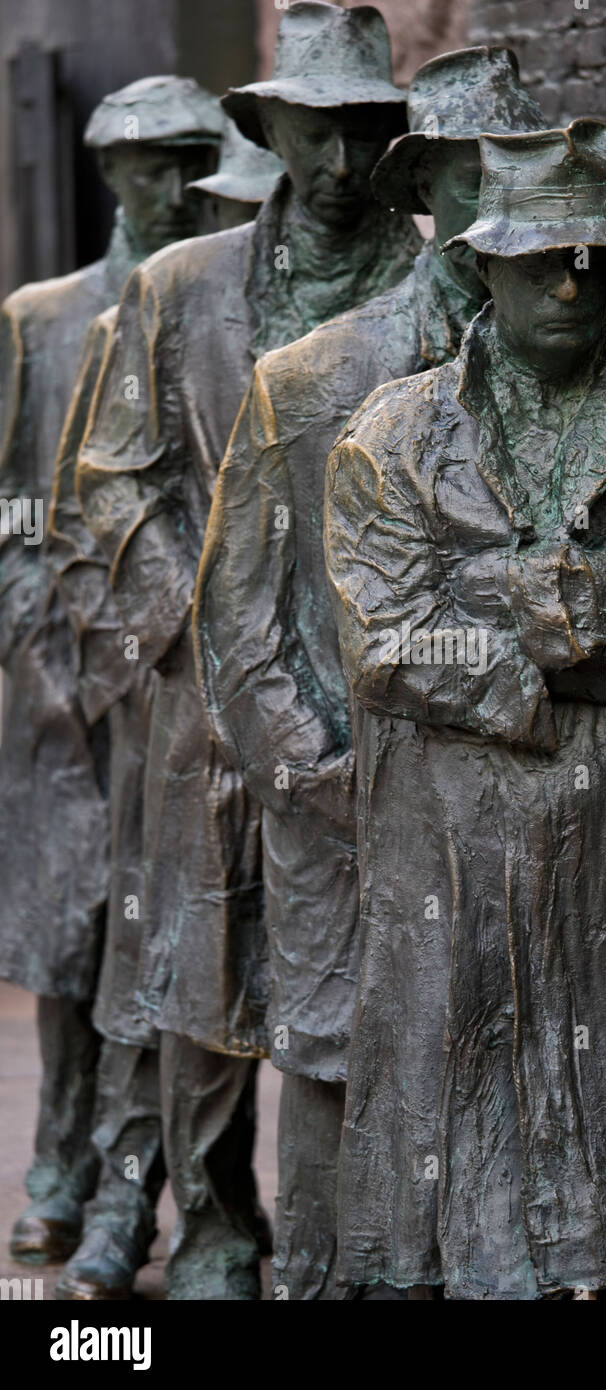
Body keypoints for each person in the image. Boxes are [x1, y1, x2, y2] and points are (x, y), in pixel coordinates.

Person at [325, 119, 606, 1298]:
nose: (574, 282)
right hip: (454, 850)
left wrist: (531, 593)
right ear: (481, 266)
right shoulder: (391, 437)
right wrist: (584, 672)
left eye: (595, 259)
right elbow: (390, 645)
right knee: (463, 1135)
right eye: (543, 261)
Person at [76, 1, 419, 1300]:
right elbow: (116, 482)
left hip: (374, 700)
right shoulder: (180, 289)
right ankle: (216, 1230)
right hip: (205, 708)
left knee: (367, 980)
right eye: (313, 135)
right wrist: (208, 640)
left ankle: (365, 1238)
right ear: (268, 129)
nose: (336, 168)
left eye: (363, 136)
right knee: (205, 973)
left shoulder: (433, 278)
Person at [194, 46, 545, 1300]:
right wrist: (314, 773)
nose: (509, 197)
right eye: (477, 170)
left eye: (525, 165)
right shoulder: (311, 376)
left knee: (500, 1053)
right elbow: (237, 617)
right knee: (339, 1053)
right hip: (344, 802)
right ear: (428, 183)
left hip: (511, 804)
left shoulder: (579, 368)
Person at [47, 99, 282, 1302]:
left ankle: (231, 1215)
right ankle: (127, 1196)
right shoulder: (130, 320)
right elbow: (86, 516)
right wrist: (154, 648)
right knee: (161, 962)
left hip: (297, 699)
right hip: (168, 697)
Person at [0, 76, 222, 1270]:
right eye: (149, 162)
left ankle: (143, 1194)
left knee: (155, 947)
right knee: (69, 940)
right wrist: (32, 628)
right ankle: (55, 1174)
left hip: (173, 676)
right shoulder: (39, 317)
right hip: (54, 686)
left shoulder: (210, 305)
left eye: (191, 157)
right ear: (109, 173)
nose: (173, 183)